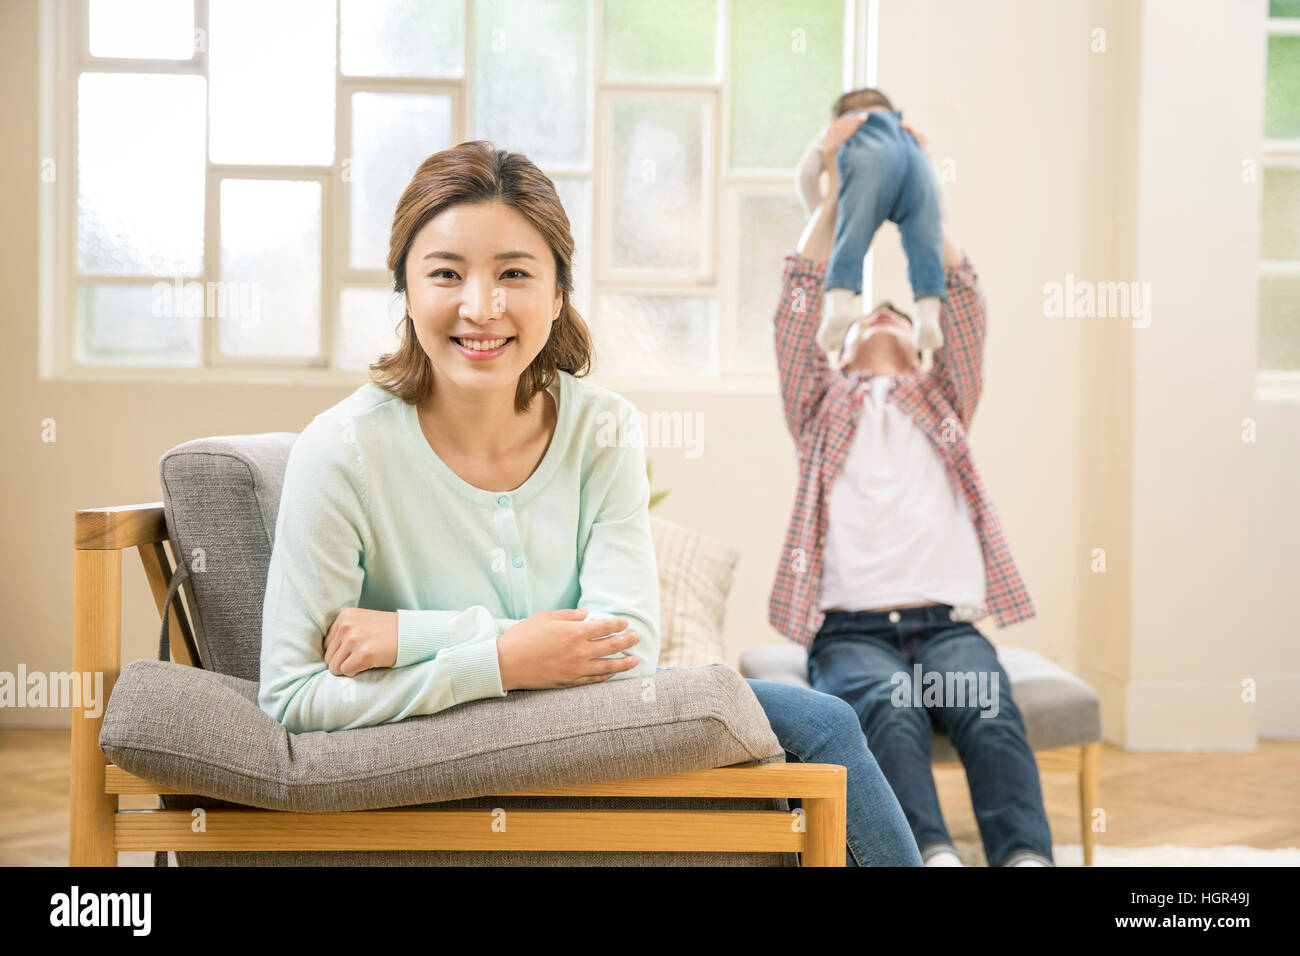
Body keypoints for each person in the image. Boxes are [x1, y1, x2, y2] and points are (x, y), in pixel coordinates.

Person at [257, 139, 922, 868]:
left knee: (821, 722)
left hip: (594, 713)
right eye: (446, 273)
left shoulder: (601, 425)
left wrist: (416, 634)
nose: (483, 307)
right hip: (447, 741)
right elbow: (290, 699)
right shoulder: (342, 451)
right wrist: (505, 659)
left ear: (558, 294)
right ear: (407, 290)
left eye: (515, 273)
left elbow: (625, 650)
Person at [770, 115, 1055, 867]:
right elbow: (796, 314)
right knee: (887, 717)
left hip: (948, 625)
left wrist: (926, 192)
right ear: (848, 345)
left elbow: (963, 304)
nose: (886, 314)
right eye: (871, 313)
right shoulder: (822, 407)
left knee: (989, 713)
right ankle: (929, 856)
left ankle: (1027, 858)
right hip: (852, 630)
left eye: (900, 309)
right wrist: (832, 195)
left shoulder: (944, 400)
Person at [793, 88, 946, 361]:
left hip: (869, 161)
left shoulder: (846, 128)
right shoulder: (908, 134)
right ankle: (928, 313)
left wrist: (818, 211)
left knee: (853, 234)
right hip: (917, 165)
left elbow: (805, 176)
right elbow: (936, 199)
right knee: (924, 240)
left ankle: (840, 306)